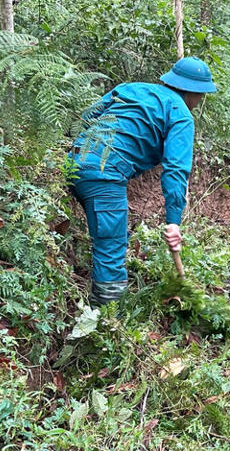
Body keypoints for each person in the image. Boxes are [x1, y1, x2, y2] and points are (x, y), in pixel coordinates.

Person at [68, 56, 216, 306]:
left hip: (75, 161)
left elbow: (87, 117)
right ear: (193, 93)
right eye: (201, 95)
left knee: (110, 234)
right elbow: (176, 171)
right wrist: (174, 222)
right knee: (111, 247)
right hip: (105, 174)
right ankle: (108, 320)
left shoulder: (130, 88)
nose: (199, 101)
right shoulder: (181, 115)